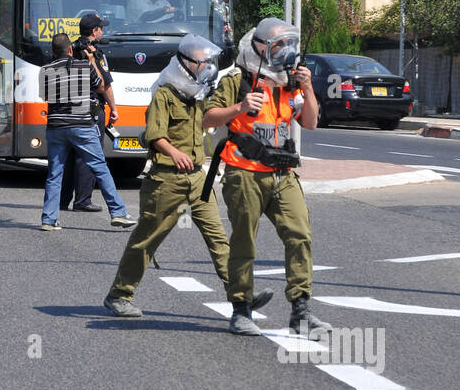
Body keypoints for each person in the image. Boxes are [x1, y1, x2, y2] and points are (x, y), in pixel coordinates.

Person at [201, 18, 331, 336]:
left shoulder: (290, 83)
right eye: (278, 45)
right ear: (260, 46)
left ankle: (300, 310)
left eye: (289, 44)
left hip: (282, 173)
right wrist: (240, 107)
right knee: (245, 242)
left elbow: (311, 122)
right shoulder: (235, 79)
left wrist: (309, 87)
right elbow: (207, 117)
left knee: (299, 235)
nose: (286, 51)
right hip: (244, 173)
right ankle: (241, 310)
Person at [103, 35, 246, 319]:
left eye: (209, 62)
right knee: (147, 240)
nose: (207, 67)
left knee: (219, 239)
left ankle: (242, 300)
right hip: (166, 180)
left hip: (197, 179)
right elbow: (154, 135)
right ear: (185, 64)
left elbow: (214, 118)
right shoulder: (164, 95)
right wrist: (174, 152)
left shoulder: (200, 94)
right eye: (202, 62)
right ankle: (119, 294)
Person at [40, 32, 136, 231]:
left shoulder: (45, 69)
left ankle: (49, 219)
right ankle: (118, 213)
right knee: (100, 168)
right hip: (82, 126)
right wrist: (92, 60)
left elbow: (45, 96)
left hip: (56, 127)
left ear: (52, 51)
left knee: (55, 174)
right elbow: (101, 85)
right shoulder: (83, 66)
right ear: (70, 49)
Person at [61, 13, 118, 213]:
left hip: (70, 107)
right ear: (94, 31)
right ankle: (83, 200)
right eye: (101, 28)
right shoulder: (95, 53)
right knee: (90, 153)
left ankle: (63, 199)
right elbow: (105, 85)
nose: (103, 31)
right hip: (91, 109)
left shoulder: (71, 49)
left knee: (68, 154)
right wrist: (114, 108)